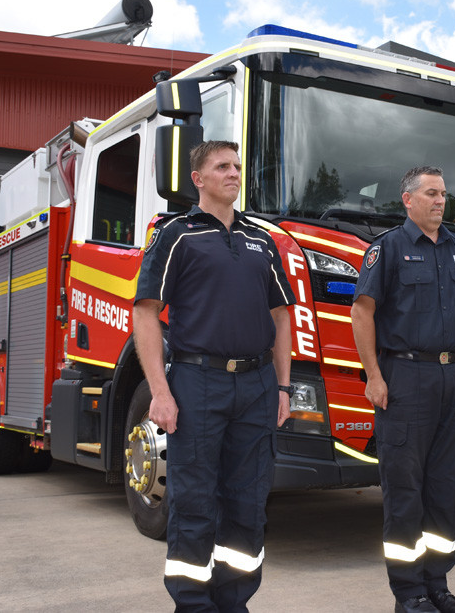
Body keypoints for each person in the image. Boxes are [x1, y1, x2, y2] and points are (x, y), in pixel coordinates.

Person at [133, 140, 295, 612]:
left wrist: (283, 386)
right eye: (222, 166)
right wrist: (159, 393)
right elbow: (146, 314)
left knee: (248, 503)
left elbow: (282, 315)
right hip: (196, 382)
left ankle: (234, 601)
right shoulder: (176, 235)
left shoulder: (262, 240)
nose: (234, 173)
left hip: (258, 384)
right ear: (198, 179)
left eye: (238, 166)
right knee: (194, 501)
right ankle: (192, 604)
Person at [351, 166, 455, 613]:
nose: (440, 200)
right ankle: (409, 591)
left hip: (453, 380)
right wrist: (374, 375)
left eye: (444, 194)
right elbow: (362, 312)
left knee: (448, 488)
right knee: (405, 487)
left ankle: (438, 584)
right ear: (407, 199)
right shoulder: (388, 249)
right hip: (406, 378)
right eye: (431, 193)